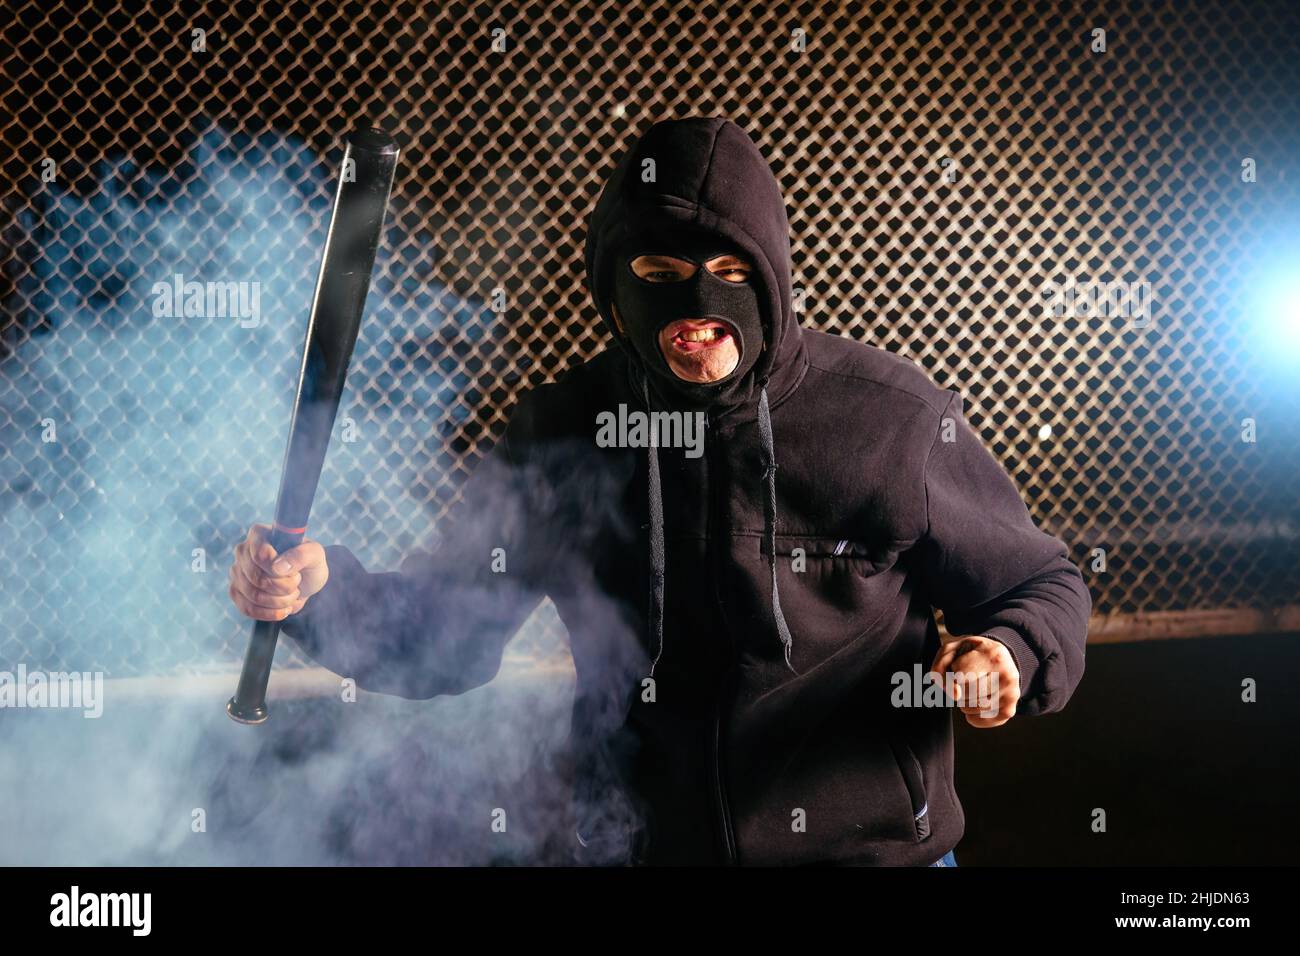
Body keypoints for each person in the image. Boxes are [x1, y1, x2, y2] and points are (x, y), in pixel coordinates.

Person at [228, 116, 1090, 866]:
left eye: (729, 266)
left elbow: (1040, 584)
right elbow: (447, 631)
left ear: (774, 276)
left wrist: (1009, 653)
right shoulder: (561, 434)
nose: (700, 299)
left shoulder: (889, 422)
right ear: (614, 283)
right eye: (660, 269)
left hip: (864, 859)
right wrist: (319, 595)